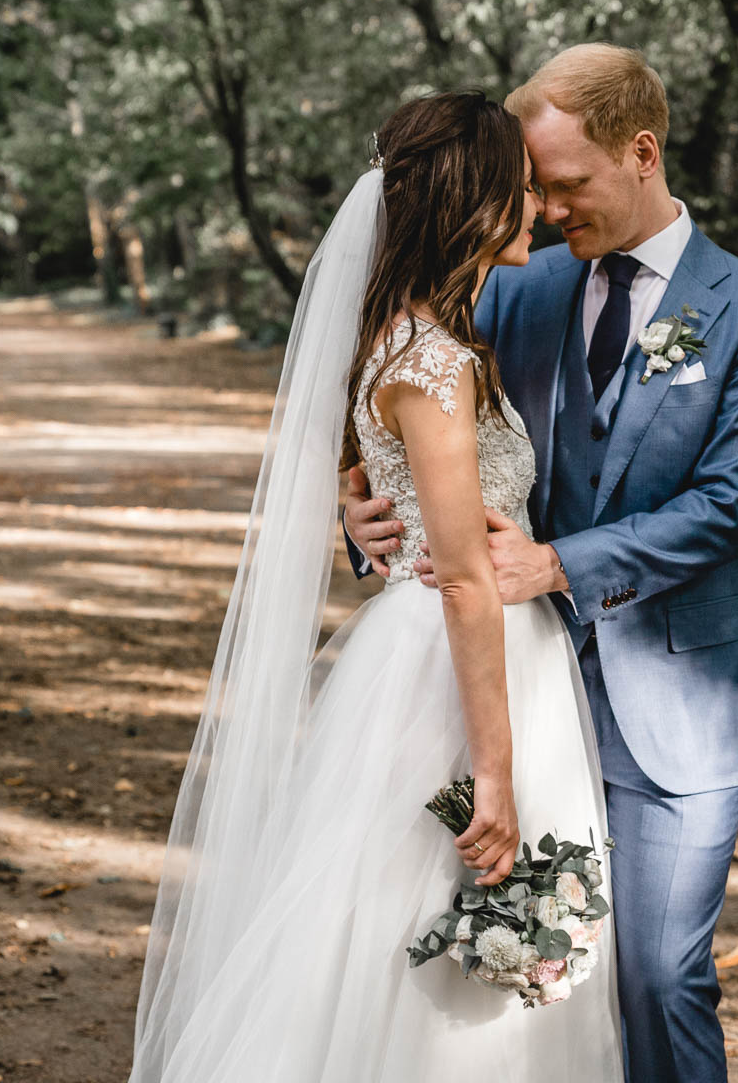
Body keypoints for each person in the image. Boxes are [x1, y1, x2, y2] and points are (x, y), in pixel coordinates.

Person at [130, 91, 624, 1081]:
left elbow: (387, 500)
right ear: (476, 200)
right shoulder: (431, 364)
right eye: (521, 187)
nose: (535, 205)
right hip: (454, 677)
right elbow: (466, 585)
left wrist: (369, 519)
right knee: (419, 924)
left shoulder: (418, 343)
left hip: (465, 663)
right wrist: (496, 773)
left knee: (422, 921)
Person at [346, 45, 738, 1083]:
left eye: (567, 183)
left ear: (641, 153)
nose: (547, 209)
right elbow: (413, 424)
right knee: (507, 985)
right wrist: (367, 513)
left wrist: (558, 562)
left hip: (675, 698)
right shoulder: (517, 287)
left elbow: (731, 503)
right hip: (507, 694)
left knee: (655, 974)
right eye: (535, 188)